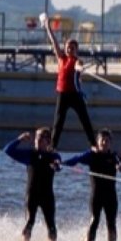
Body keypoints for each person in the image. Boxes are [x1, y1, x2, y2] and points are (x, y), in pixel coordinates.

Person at [62, 129, 121, 241]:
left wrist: (120, 166)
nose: (105, 142)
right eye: (102, 140)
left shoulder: (114, 156)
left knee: (111, 223)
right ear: (98, 141)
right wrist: (62, 163)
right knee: (94, 220)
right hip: (96, 195)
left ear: (110, 143)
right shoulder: (91, 155)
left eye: (107, 140)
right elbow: (76, 159)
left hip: (111, 196)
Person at [4, 128, 62, 241]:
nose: (38, 140)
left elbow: (58, 165)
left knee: (51, 223)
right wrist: (19, 140)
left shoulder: (53, 156)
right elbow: (8, 150)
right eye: (37, 138)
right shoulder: (30, 155)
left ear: (48, 141)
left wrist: (57, 165)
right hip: (32, 194)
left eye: (42, 138)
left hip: (47, 195)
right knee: (30, 221)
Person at [44, 15, 95, 149]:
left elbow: (78, 66)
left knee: (85, 120)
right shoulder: (61, 58)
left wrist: (80, 68)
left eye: (72, 48)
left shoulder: (77, 60)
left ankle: (93, 144)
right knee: (58, 122)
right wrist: (48, 28)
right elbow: (54, 42)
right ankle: (53, 146)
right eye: (68, 47)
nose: (69, 50)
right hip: (62, 94)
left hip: (75, 95)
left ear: (76, 50)